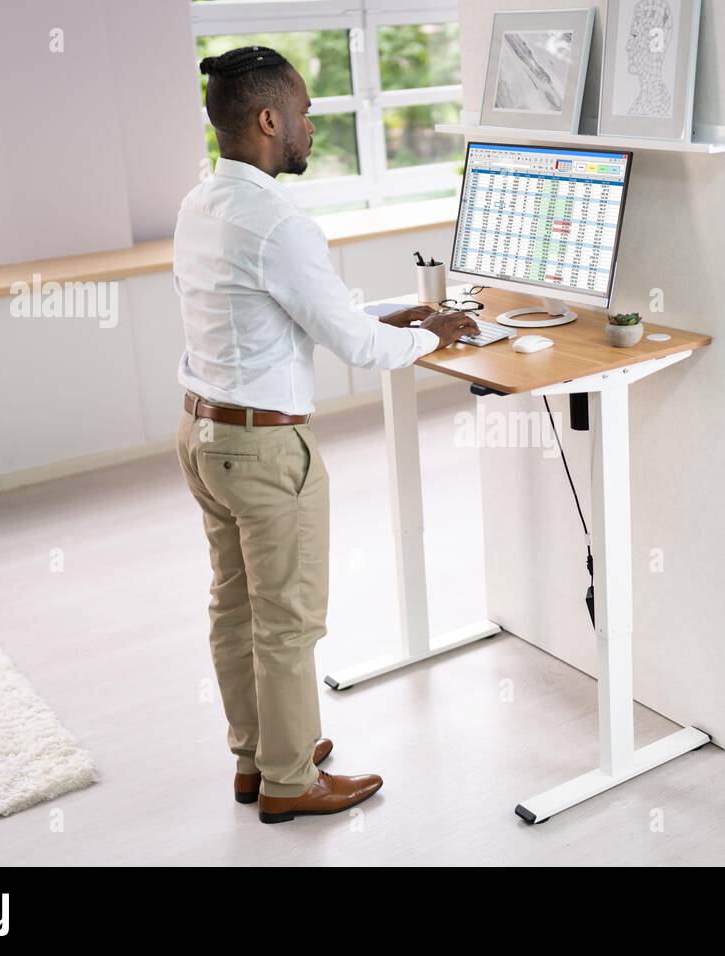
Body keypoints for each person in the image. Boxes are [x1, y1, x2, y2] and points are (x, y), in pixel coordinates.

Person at [172, 46, 478, 824]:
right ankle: (289, 781)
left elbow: (296, 315)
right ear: (269, 119)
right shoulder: (280, 222)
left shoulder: (202, 203)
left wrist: (398, 316)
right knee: (289, 621)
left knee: (235, 607)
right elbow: (360, 351)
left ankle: (258, 756)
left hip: (205, 437)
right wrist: (437, 335)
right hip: (266, 452)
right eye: (304, 112)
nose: (311, 125)